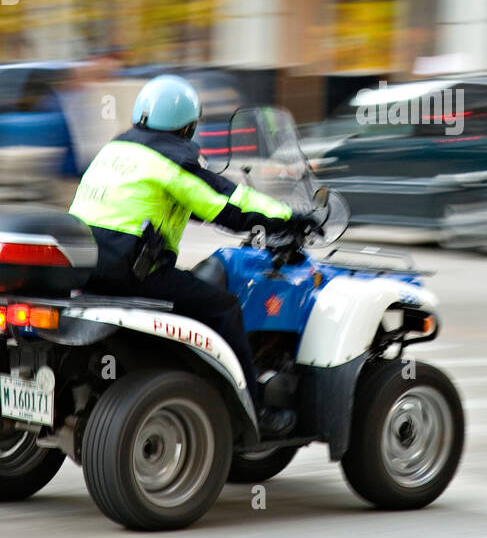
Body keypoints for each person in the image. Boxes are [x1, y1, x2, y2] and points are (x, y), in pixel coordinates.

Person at [68, 75, 316, 438]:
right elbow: (226, 203)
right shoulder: (173, 159)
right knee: (224, 306)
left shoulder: (118, 149)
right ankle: (255, 412)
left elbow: (179, 200)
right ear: (187, 125)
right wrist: (287, 217)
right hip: (130, 271)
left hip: (86, 267)